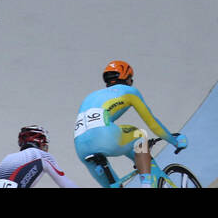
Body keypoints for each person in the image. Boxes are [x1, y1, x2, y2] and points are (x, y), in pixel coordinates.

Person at [74, 60, 187, 188]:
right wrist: (174, 141)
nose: (131, 82)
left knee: (115, 186)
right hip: (105, 137)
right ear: (126, 78)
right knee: (139, 134)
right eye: (131, 79)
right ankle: (146, 185)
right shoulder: (129, 91)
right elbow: (153, 124)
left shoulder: (90, 96)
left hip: (81, 146)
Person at [0, 125, 78, 188]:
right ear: (41, 143)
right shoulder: (42, 155)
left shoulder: (8, 157)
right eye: (45, 145)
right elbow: (66, 184)